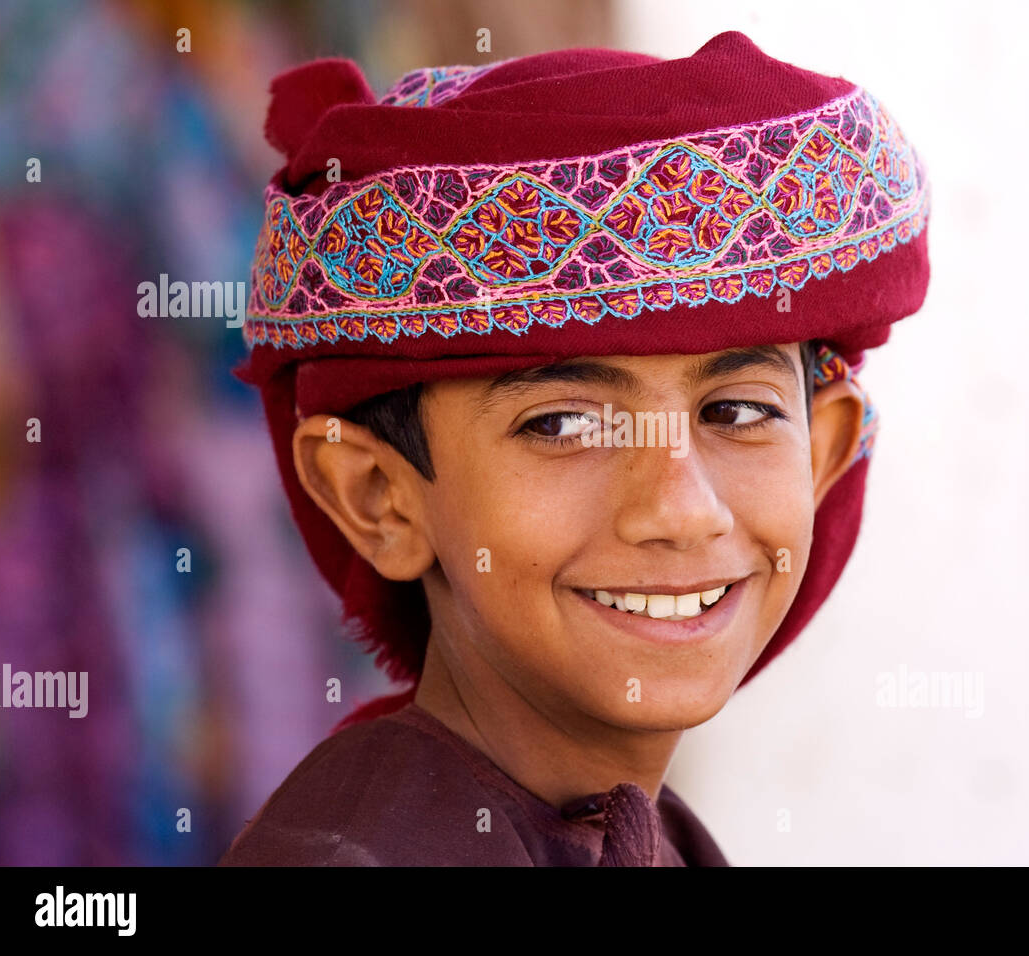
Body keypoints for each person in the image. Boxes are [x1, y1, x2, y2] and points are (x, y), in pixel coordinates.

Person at [218, 30, 931, 866]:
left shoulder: (648, 838)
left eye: (737, 411)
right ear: (378, 495)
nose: (681, 509)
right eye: (562, 424)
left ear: (823, 452)